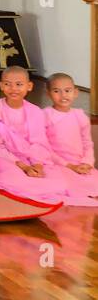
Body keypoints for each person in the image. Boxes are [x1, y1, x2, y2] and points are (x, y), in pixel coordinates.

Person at [0, 67, 92, 205]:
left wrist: (37, 165)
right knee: (16, 180)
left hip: (31, 157)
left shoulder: (35, 111)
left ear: (29, 86)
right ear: (1, 85)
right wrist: (24, 167)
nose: (13, 88)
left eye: (19, 84)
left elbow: (38, 142)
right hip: (3, 157)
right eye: (7, 84)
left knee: (59, 184)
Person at [42, 73, 98, 204]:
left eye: (67, 91)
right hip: (57, 164)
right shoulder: (45, 115)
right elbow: (44, 147)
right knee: (66, 185)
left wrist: (87, 163)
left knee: (92, 181)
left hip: (79, 163)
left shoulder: (79, 115)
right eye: (57, 91)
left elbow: (87, 143)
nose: (63, 95)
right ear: (48, 94)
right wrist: (68, 165)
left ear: (76, 92)